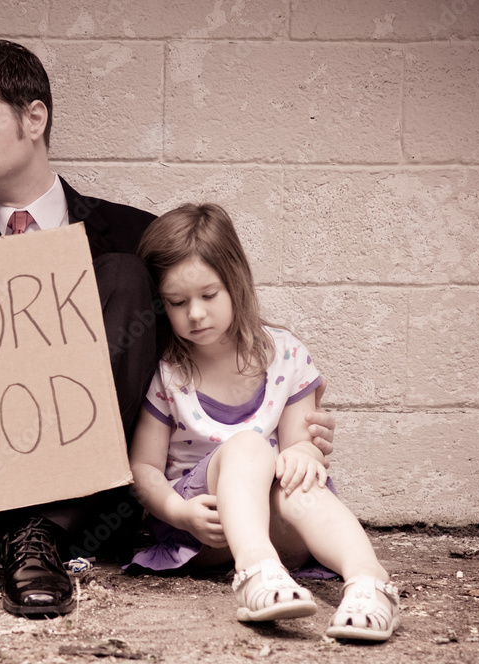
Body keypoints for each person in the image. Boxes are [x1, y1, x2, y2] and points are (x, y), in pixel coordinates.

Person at [0, 40, 337, 620]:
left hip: (76, 513)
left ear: (34, 117)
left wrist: (289, 423)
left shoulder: (134, 236)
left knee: (123, 275)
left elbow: (196, 350)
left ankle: (40, 532)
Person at [129, 203, 399, 641]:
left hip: (282, 531)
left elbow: (297, 447)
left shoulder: (284, 355)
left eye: (209, 295)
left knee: (297, 477)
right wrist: (178, 512)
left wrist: (306, 450)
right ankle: (256, 572)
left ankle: (369, 581)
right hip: (202, 534)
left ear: (235, 282)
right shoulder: (168, 372)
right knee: (250, 446)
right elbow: (142, 468)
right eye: (177, 303)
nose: (195, 314)